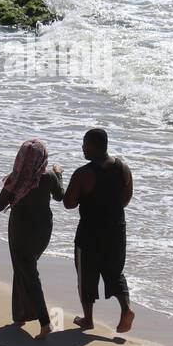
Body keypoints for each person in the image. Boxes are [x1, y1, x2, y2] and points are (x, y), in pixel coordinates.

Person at [63, 127, 134, 333]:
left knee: (86, 276)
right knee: (115, 272)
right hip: (116, 229)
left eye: (85, 143)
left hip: (90, 232)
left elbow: (69, 203)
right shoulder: (123, 168)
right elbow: (126, 199)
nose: (83, 148)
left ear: (94, 146)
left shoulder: (83, 173)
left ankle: (88, 319)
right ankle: (126, 309)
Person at [0, 139, 64, 340]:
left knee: (28, 273)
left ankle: (45, 322)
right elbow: (60, 196)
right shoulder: (49, 177)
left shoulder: (15, 180)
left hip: (20, 232)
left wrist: (9, 190)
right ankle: (20, 314)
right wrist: (58, 173)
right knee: (23, 268)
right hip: (43, 232)